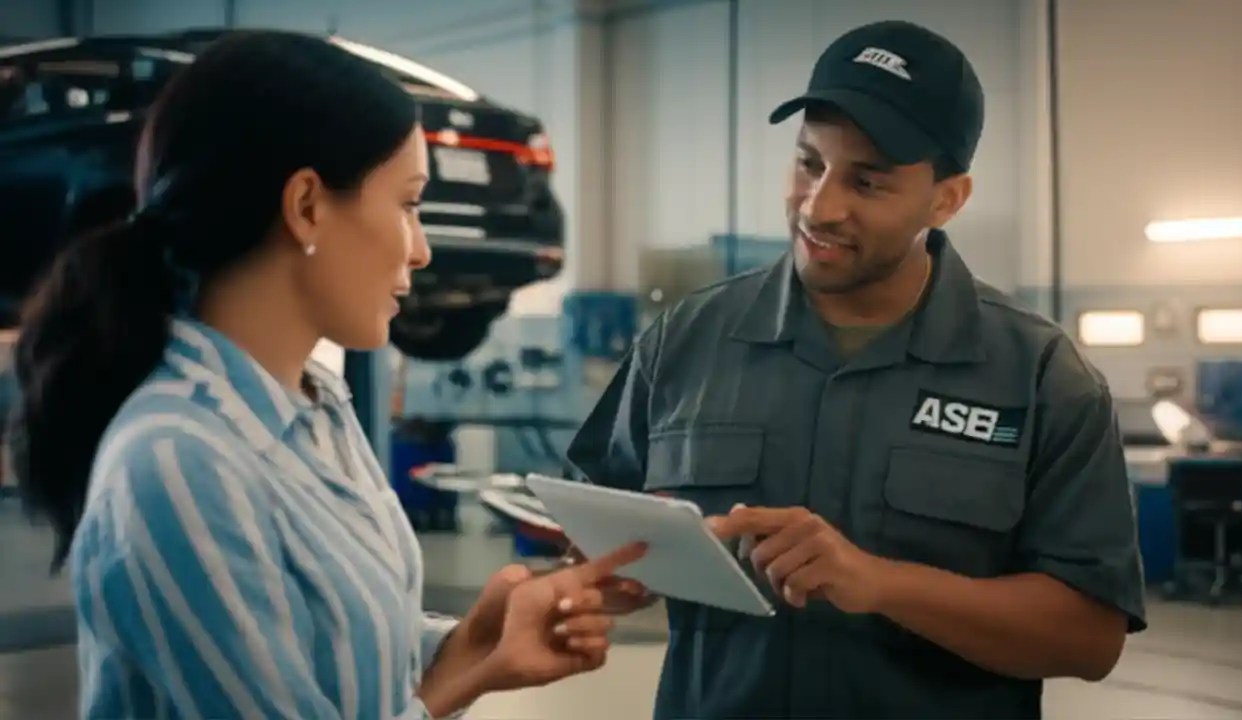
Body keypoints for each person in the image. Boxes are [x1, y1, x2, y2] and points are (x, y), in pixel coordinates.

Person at [7, 30, 644, 720]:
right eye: (407, 203)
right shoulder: (180, 462)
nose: (423, 249)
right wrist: (467, 677)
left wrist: (474, 637)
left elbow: (348, 657)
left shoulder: (319, 406)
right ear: (307, 205)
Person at [566, 19, 1146, 719]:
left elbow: (1088, 639)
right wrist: (621, 569)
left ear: (946, 199)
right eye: (810, 163)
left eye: (867, 182)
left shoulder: (1041, 375)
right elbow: (601, 526)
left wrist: (878, 583)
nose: (820, 206)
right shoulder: (688, 338)